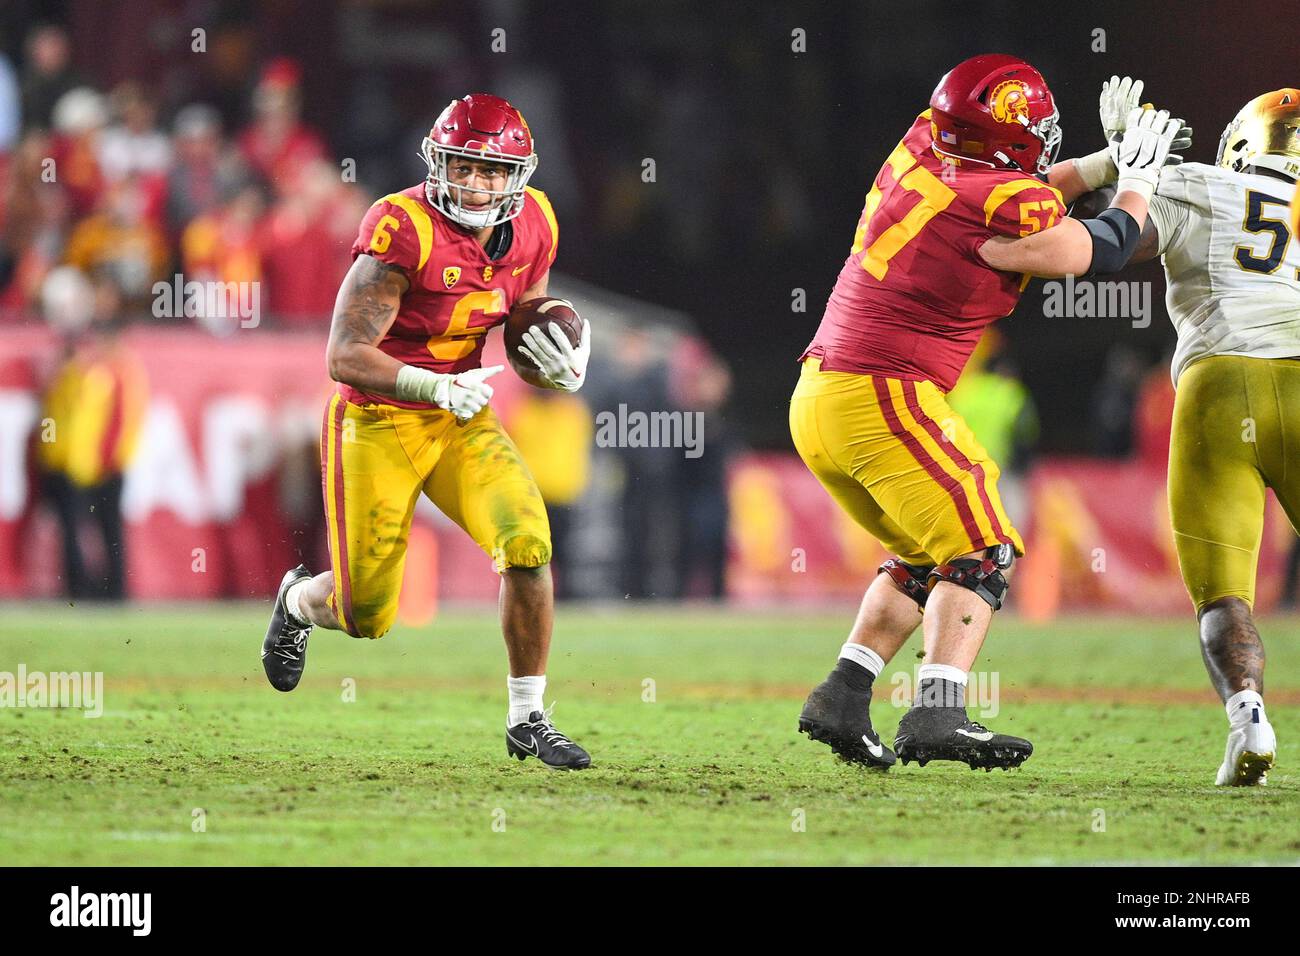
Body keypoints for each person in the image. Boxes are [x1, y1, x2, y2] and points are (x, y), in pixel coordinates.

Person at [790, 58, 1184, 772]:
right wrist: (1137, 181)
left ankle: (842, 697)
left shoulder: (924, 148)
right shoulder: (1002, 204)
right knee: (981, 549)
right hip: (881, 392)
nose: (1044, 142)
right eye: (1033, 131)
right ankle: (937, 712)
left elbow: (1017, 192)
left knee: (924, 556)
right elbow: (1100, 247)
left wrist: (1103, 162)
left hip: (821, 396)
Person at [259, 93, 594, 770]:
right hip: (376, 419)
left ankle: (527, 716)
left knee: (528, 543)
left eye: (493, 172)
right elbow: (344, 354)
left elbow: (524, 308)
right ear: (438, 163)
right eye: (463, 167)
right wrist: (431, 382)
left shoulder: (536, 223)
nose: (476, 183)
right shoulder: (401, 226)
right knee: (367, 615)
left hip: (460, 417)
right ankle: (297, 602)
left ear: (517, 177)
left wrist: (557, 349)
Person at [1125, 87, 1300, 785]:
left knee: (1225, 591)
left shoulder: (1198, 181)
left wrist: (1127, 171)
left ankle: (1249, 719)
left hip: (1217, 385)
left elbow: (1107, 244)